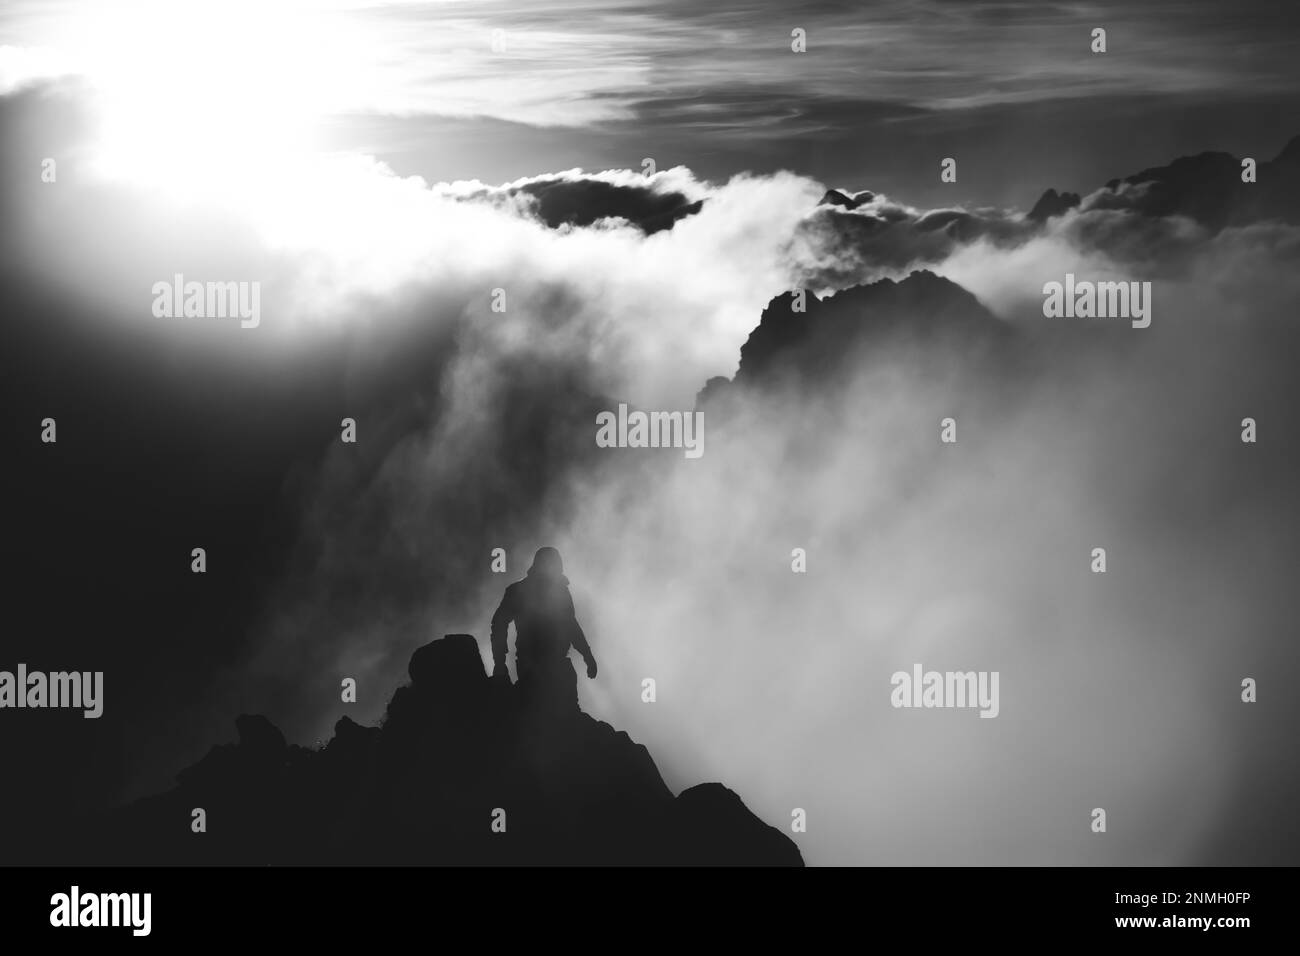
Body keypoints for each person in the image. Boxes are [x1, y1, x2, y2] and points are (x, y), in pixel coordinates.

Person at [489, 547, 597, 710]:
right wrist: (499, 661)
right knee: (540, 713)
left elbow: (571, 625)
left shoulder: (560, 592)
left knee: (565, 715)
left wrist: (588, 656)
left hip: (557, 665)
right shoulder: (519, 591)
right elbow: (499, 623)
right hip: (532, 665)